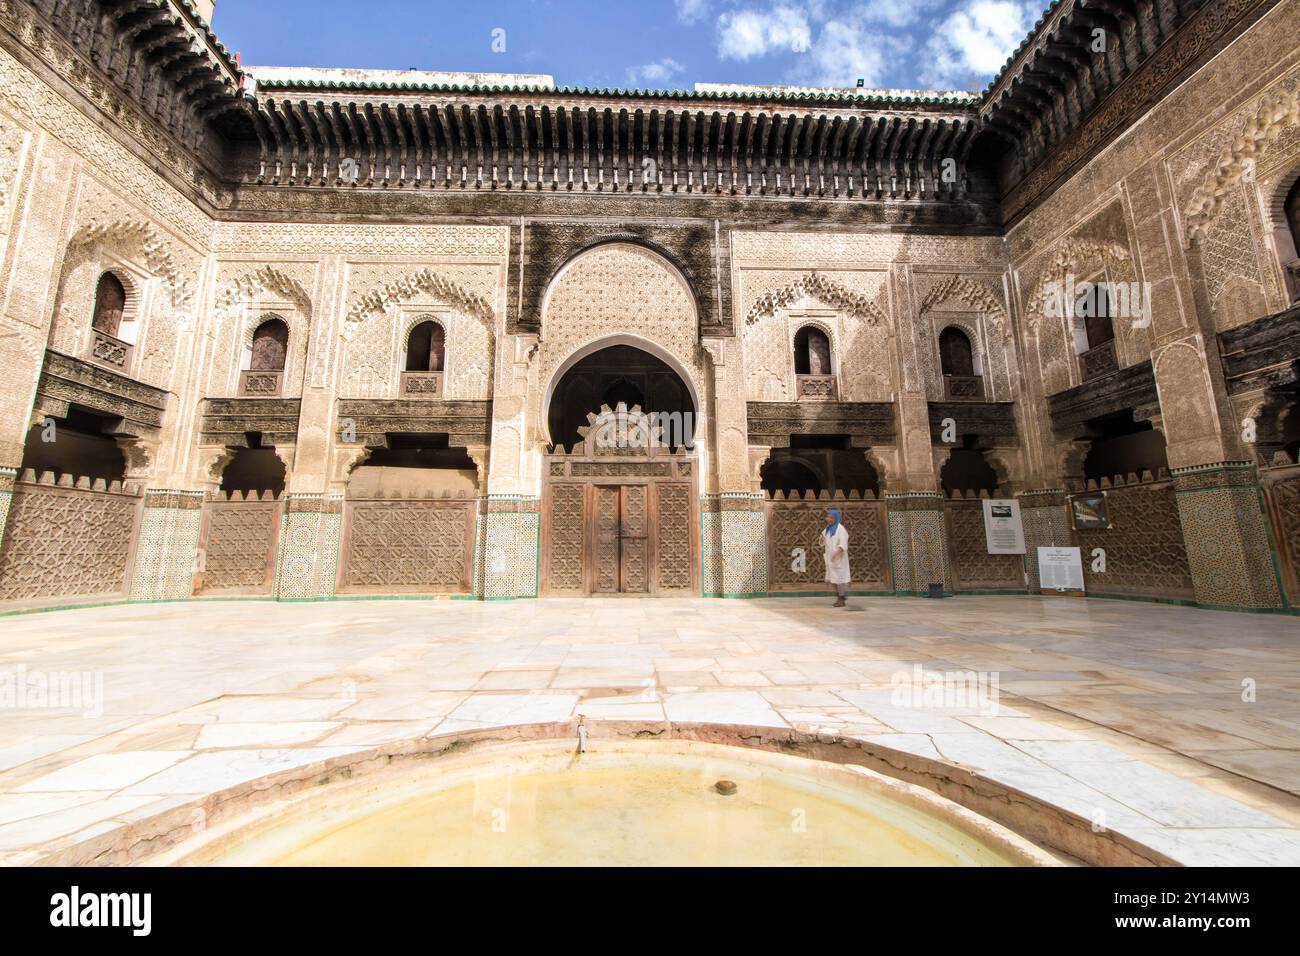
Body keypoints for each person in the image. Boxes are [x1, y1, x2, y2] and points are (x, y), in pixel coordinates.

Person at [822, 508, 850, 607]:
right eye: (828, 517)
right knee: (833, 579)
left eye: (830, 517)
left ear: (835, 518)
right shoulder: (828, 529)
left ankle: (841, 599)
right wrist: (821, 540)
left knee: (840, 579)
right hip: (831, 559)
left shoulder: (840, 529)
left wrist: (836, 554)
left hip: (839, 559)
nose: (828, 519)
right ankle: (840, 596)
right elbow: (822, 540)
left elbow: (843, 545)